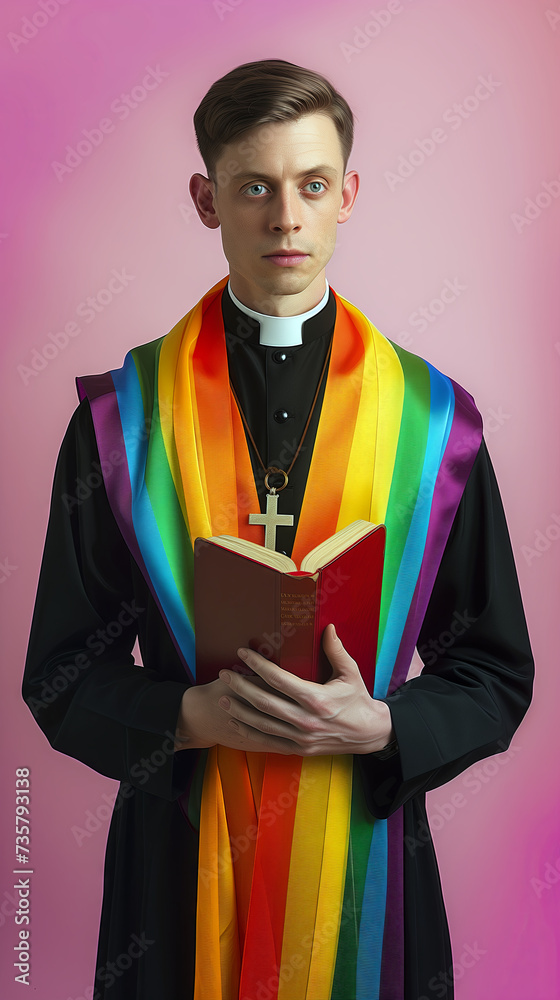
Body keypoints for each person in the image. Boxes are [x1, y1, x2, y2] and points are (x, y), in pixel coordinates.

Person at [23, 59, 534, 1000]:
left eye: (309, 186)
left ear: (347, 194)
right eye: (253, 186)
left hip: (369, 850)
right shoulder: (120, 422)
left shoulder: (436, 428)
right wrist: (186, 715)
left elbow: (495, 672)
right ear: (205, 197)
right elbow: (59, 673)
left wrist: (385, 726)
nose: (285, 219)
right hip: (176, 859)